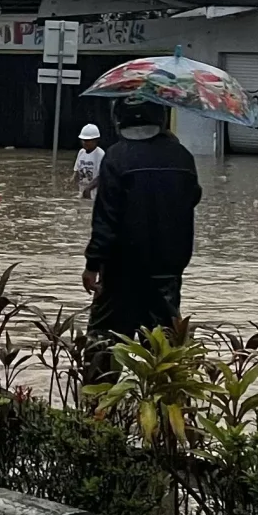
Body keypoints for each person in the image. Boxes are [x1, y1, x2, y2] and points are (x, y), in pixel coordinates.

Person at [82, 96, 202, 342]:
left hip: (121, 273)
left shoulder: (116, 157)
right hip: (167, 270)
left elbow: (106, 219)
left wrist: (92, 264)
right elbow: (192, 197)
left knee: (104, 346)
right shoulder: (182, 156)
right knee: (163, 350)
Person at [72, 122, 106, 199]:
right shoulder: (81, 152)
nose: (84, 143)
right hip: (82, 192)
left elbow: (102, 176)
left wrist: (89, 188)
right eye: (83, 140)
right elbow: (76, 171)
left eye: (88, 140)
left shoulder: (100, 154)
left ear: (96, 140)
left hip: (94, 195)